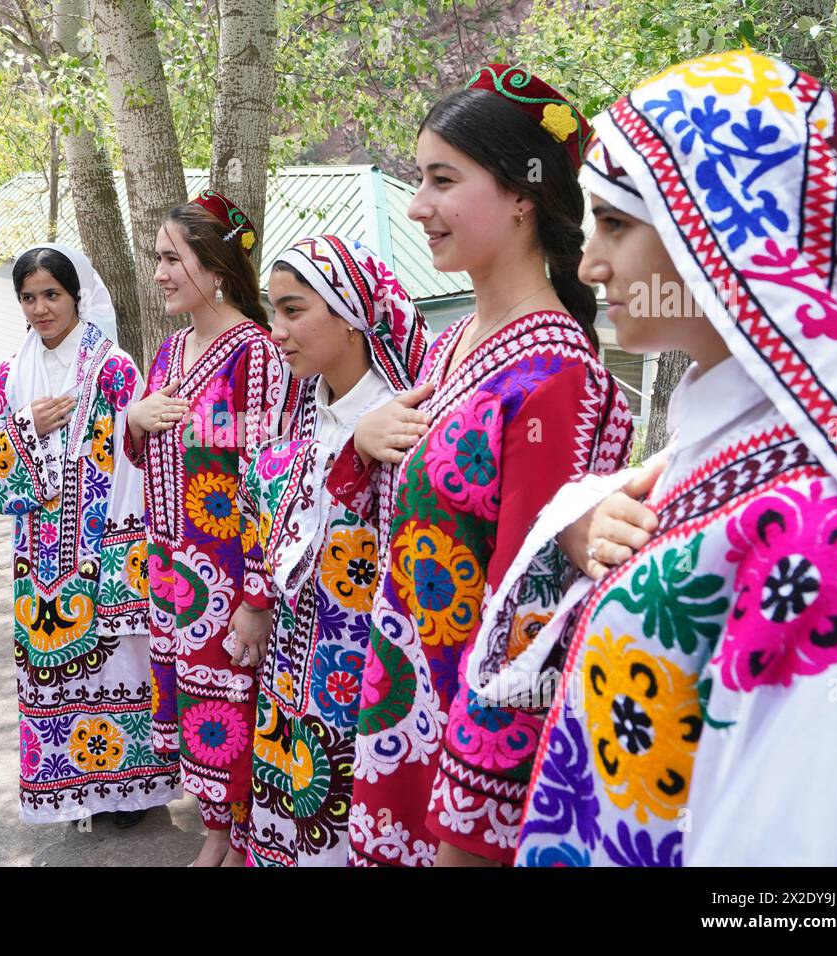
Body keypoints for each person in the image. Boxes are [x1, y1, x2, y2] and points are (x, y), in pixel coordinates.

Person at [466, 49, 837, 866]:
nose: (588, 263)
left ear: (734, 231)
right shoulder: (738, 442)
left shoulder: (833, 524)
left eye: (616, 223)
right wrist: (574, 525)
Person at [327, 65, 634, 866]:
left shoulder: (556, 376)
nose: (417, 204)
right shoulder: (453, 341)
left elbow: (525, 630)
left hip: (458, 782)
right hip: (403, 717)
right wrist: (366, 439)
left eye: (441, 179)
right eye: (417, 178)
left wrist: (470, 823)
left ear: (523, 197)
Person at [0, 244, 180, 826]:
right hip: (38, 559)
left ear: (76, 295)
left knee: (119, 668)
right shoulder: (11, 373)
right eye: (29, 298)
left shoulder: (115, 368)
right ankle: (73, 788)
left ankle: (131, 793)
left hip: (109, 548)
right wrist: (25, 426)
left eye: (51, 295)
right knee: (52, 674)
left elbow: (142, 455)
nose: (40, 308)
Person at [240, 235, 429, 865]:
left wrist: (355, 448)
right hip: (291, 670)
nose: (278, 331)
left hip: (356, 673)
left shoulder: (399, 417)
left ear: (351, 315)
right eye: (273, 312)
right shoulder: (307, 409)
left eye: (295, 311)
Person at [125, 190, 299, 866]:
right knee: (193, 712)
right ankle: (217, 830)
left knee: (230, 707)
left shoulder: (254, 354)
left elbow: (265, 476)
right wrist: (134, 423)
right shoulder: (169, 353)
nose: (161, 272)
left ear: (216, 265)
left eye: (174, 258)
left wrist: (256, 598)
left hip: (226, 572)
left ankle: (233, 839)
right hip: (170, 568)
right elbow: (147, 443)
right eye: (158, 258)